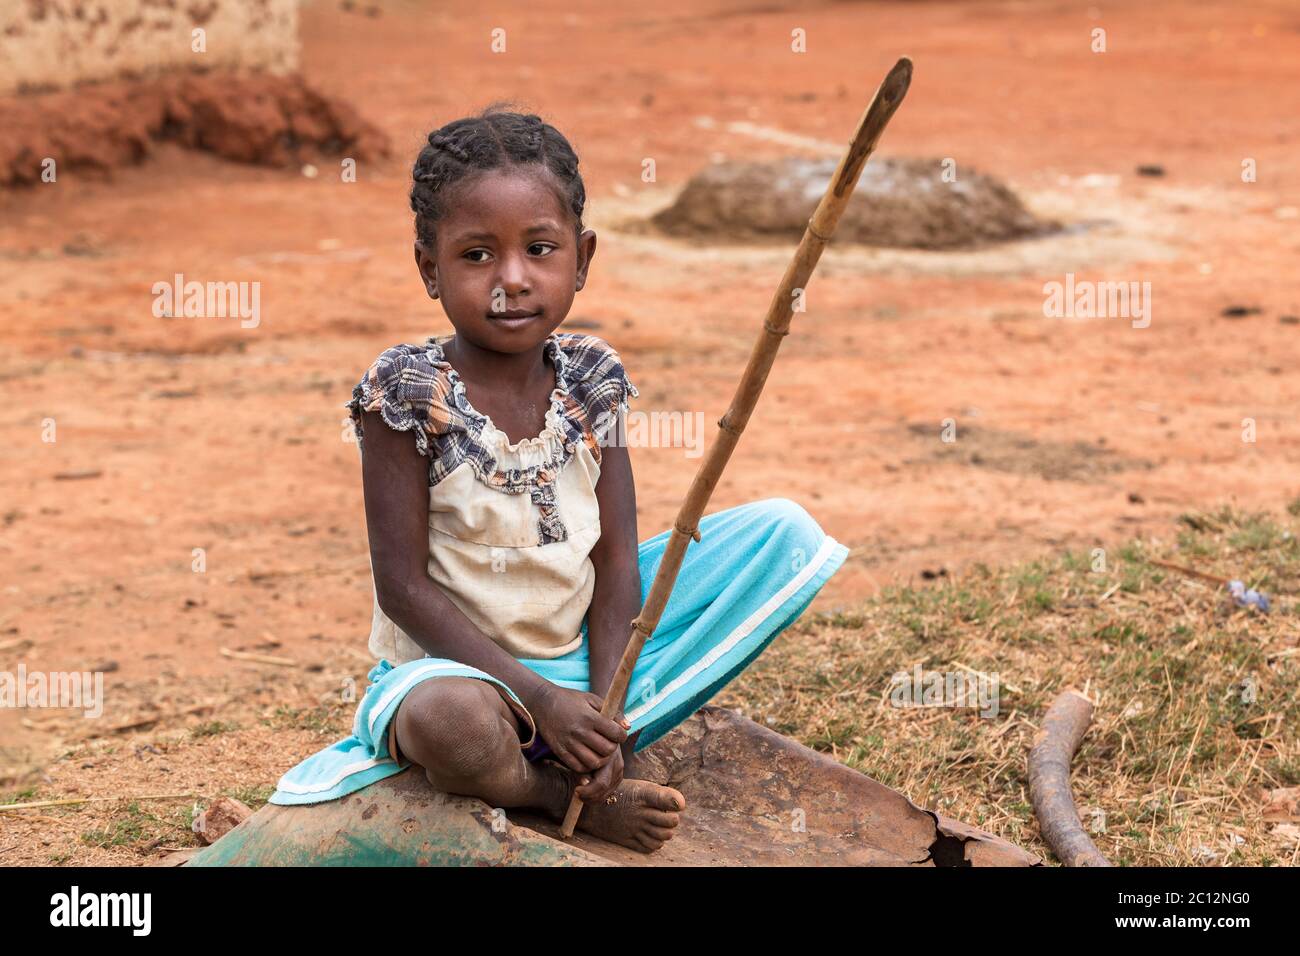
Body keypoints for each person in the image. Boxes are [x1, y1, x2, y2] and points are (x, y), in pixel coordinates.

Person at [269, 107, 849, 853]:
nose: (512, 279)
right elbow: (402, 588)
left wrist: (606, 712)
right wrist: (542, 702)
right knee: (454, 726)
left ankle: (600, 745)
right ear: (428, 268)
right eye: (476, 256)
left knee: (784, 533)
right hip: (463, 674)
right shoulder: (406, 391)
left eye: (540, 249)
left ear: (581, 258)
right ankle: (538, 788)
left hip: (584, 663)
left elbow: (615, 561)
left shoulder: (593, 378)